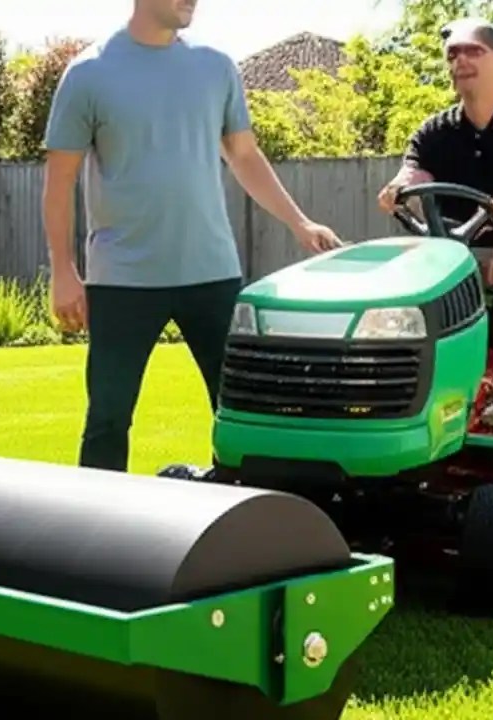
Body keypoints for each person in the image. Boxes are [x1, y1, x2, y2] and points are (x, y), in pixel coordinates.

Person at [41, 0, 344, 472]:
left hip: (211, 273)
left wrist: (299, 221)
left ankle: (240, 510)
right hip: (123, 280)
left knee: (240, 413)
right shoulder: (89, 73)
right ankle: (97, 516)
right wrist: (63, 270)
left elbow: (244, 155)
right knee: (107, 419)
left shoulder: (216, 67)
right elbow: (59, 181)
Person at [377, 17, 493, 431]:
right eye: (453, 54)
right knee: (399, 256)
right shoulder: (433, 133)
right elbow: (411, 177)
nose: (460, 60)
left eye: (473, 51)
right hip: (458, 259)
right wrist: (396, 189)